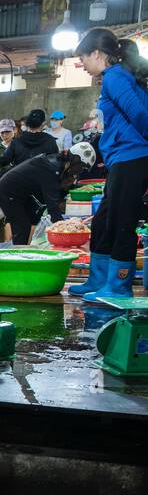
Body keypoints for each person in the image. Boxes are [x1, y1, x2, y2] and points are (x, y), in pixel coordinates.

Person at [73, 28, 148, 300]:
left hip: (132, 157)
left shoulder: (115, 77)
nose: (83, 64)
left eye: (84, 57)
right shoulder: (115, 77)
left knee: (121, 222)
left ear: (96, 53)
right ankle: (98, 279)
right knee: (103, 221)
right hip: (121, 159)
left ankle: (118, 287)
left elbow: (140, 113)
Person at [0, 144, 95, 247]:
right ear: (75, 160)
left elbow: (56, 194)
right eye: (81, 167)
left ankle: (19, 252)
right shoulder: (51, 168)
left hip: (21, 194)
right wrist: (66, 230)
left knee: (27, 224)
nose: (80, 171)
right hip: (7, 192)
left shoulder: (59, 164)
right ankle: (16, 258)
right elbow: (52, 207)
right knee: (22, 226)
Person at [0, 109, 60, 175]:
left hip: (19, 179)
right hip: (41, 181)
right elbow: (56, 163)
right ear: (43, 123)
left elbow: (2, 161)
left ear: (27, 122)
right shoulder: (50, 141)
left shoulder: (17, 139)